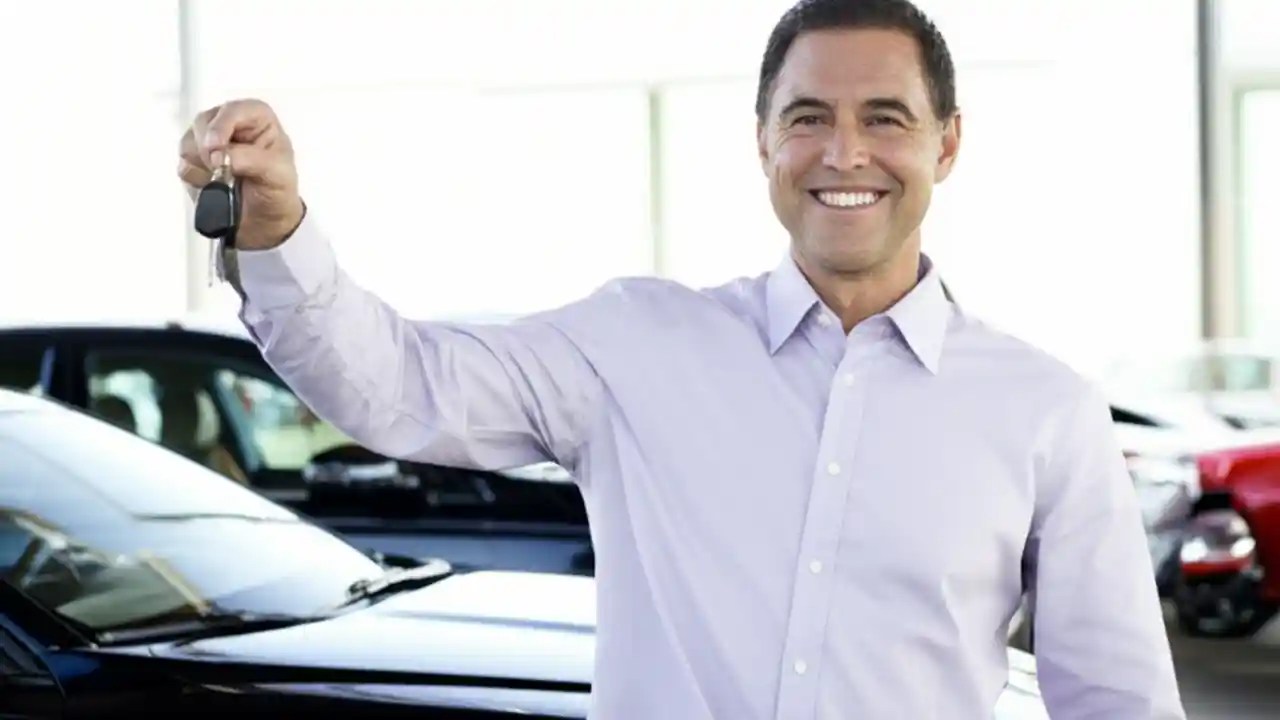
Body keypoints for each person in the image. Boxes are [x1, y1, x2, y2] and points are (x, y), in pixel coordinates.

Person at [177, 0, 1186, 717]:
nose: (843, 154)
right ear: (760, 141)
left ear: (946, 143)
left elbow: (1116, 699)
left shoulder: (1043, 411)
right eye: (806, 119)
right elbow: (395, 388)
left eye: (884, 118)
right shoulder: (633, 346)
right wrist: (274, 232)